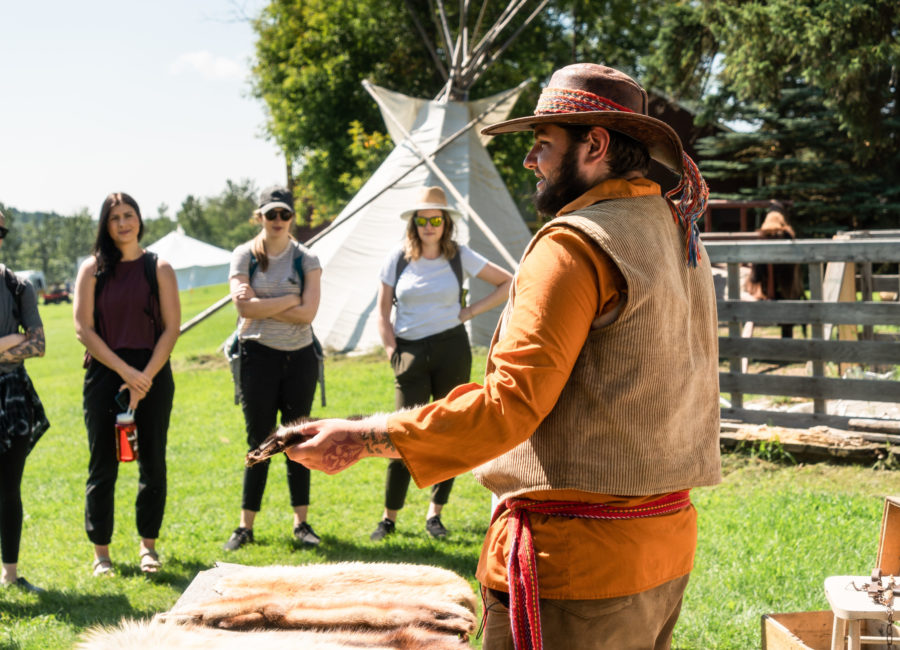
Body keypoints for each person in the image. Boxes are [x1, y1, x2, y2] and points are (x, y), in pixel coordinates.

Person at [284, 63, 722, 650]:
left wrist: (365, 436)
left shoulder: (575, 244)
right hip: (662, 552)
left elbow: (507, 406)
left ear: (594, 145)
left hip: (577, 569)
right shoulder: (676, 230)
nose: (529, 160)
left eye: (544, 144)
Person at [370, 186, 512, 542]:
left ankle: (435, 514)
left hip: (452, 347)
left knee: (448, 431)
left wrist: (469, 312)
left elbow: (508, 282)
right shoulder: (397, 258)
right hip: (409, 352)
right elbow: (382, 312)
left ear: (446, 223)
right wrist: (392, 352)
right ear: (414, 224)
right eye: (423, 220)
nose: (429, 227)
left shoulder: (459, 255)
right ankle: (389, 518)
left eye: (436, 220)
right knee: (402, 433)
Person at [73, 193, 180, 576]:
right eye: (115, 217)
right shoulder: (92, 269)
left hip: (153, 372)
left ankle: (148, 547)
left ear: (139, 219)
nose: (123, 223)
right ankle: (101, 553)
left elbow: (172, 328)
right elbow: (83, 329)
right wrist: (126, 374)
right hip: (105, 374)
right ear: (106, 225)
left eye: (128, 215)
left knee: (153, 463)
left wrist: (144, 376)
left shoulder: (159, 267)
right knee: (103, 465)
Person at [222, 186, 323, 551]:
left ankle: (302, 523)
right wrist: (290, 298)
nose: (278, 220)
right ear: (259, 217)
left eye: (284, 214)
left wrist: (263, 302)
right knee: (260, 441)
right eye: (271, 214)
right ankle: (245, 526)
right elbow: (243, 309)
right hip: (257, 356)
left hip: (300, 358)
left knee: (298, 438)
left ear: (291, 218)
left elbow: (308, 314)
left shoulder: (306, 258)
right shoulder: (244, 255)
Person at [0, 210, 49, 593]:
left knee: (9, 489)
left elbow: (39, 345)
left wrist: (22, 342)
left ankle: (11, 575)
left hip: (13, 396)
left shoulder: (18, 286)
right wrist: (10, 340)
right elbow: (26, 341)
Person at [745, 202, 804, 338]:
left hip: (767, 287)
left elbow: (756, 274)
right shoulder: (787, 236)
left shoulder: (762, 236)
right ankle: (787, 337)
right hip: (787, 287)